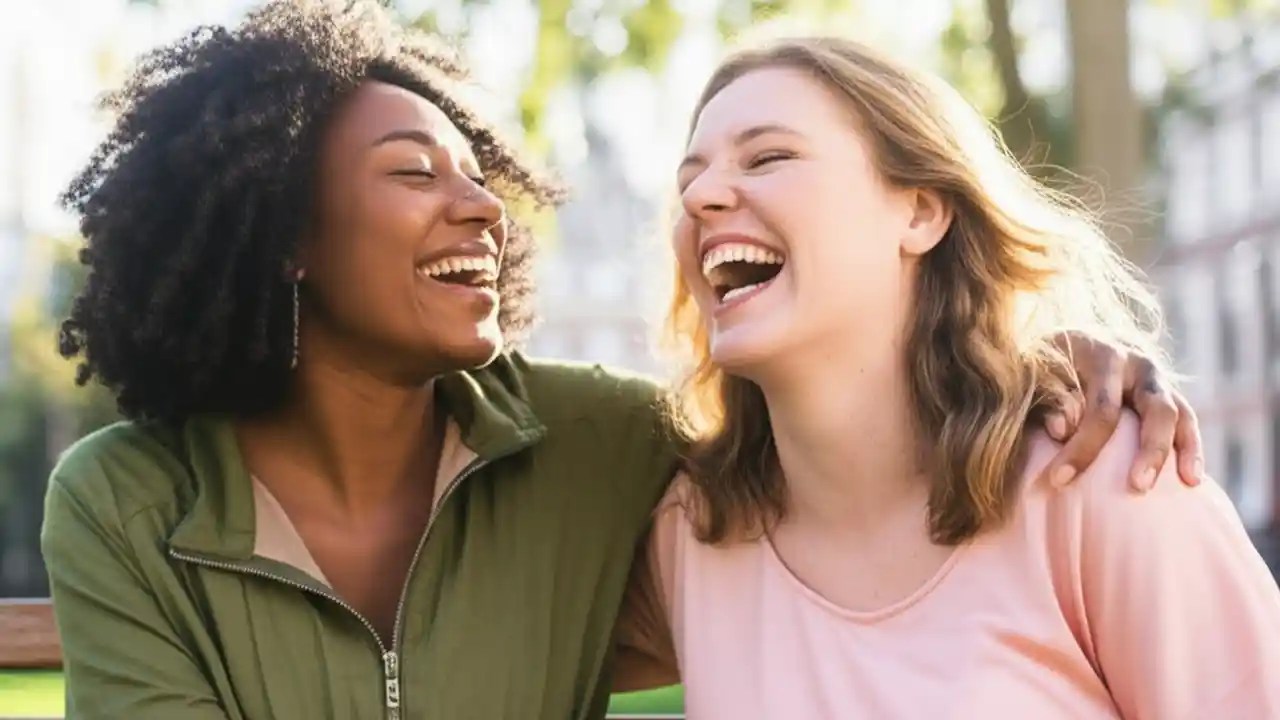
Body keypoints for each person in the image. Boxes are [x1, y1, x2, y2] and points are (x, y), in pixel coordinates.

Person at [43, 2, 1202, 718]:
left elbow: (850, 451)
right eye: (413, 173)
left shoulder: (601, 445)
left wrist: (1039, 358)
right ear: (280, 238)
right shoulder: (126, 503)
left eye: (478, 175)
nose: (485, 212)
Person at [616, 35, 1280, 718]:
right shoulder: (693, 536)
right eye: (688, 180)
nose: (701, 197)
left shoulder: (1107, 481)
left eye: (769, 157)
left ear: (921, 212)